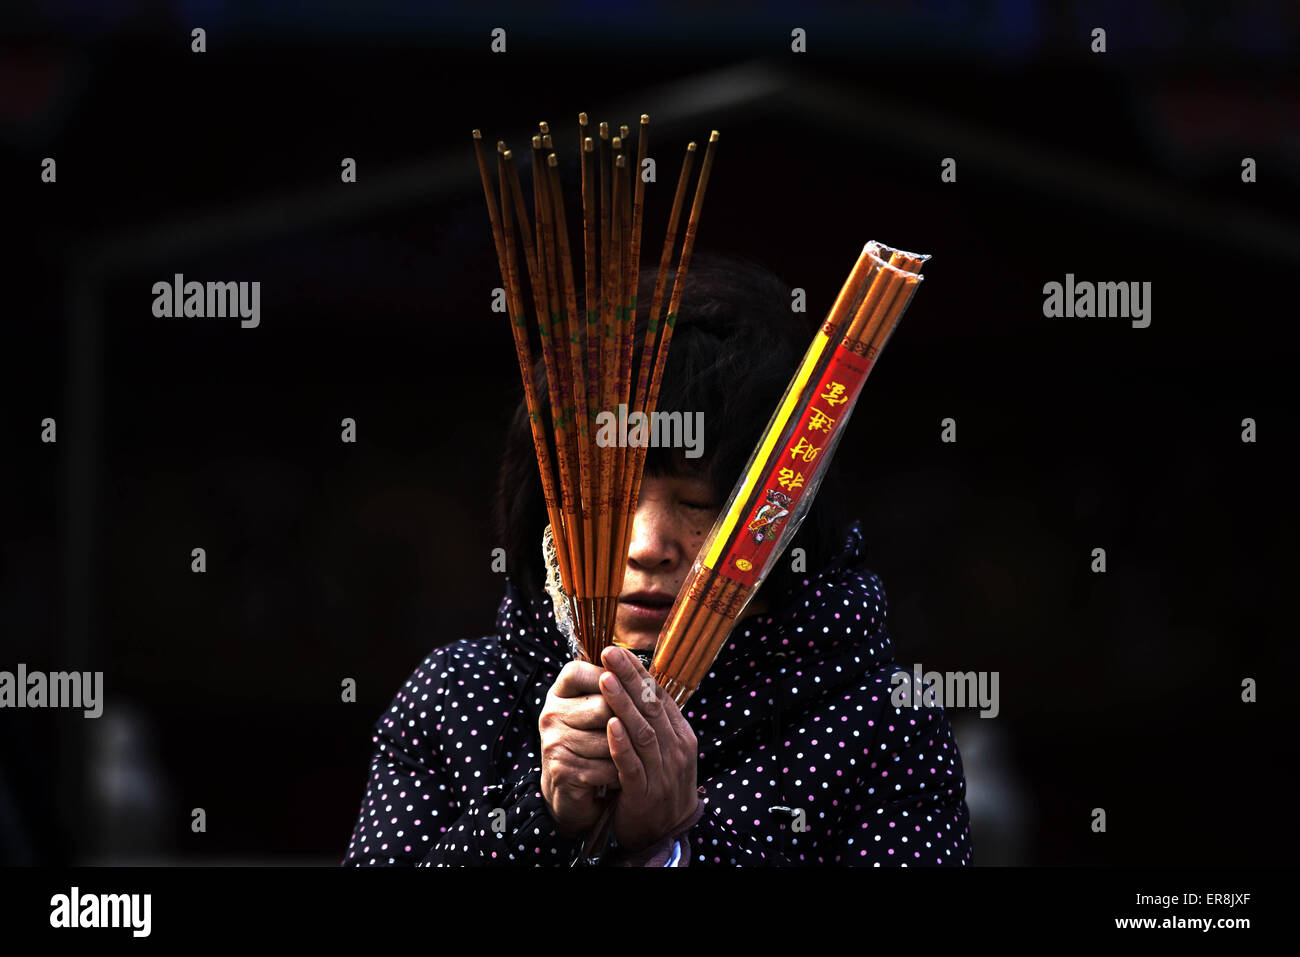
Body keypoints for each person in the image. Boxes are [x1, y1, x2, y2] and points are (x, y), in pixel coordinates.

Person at [342, 253, 974, 866]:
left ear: (791, 521)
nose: (648, 546)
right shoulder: (461, 698)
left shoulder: (882, 728)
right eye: (611, 498)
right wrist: (543, 819)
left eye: (701, 502)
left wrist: (669, 851)